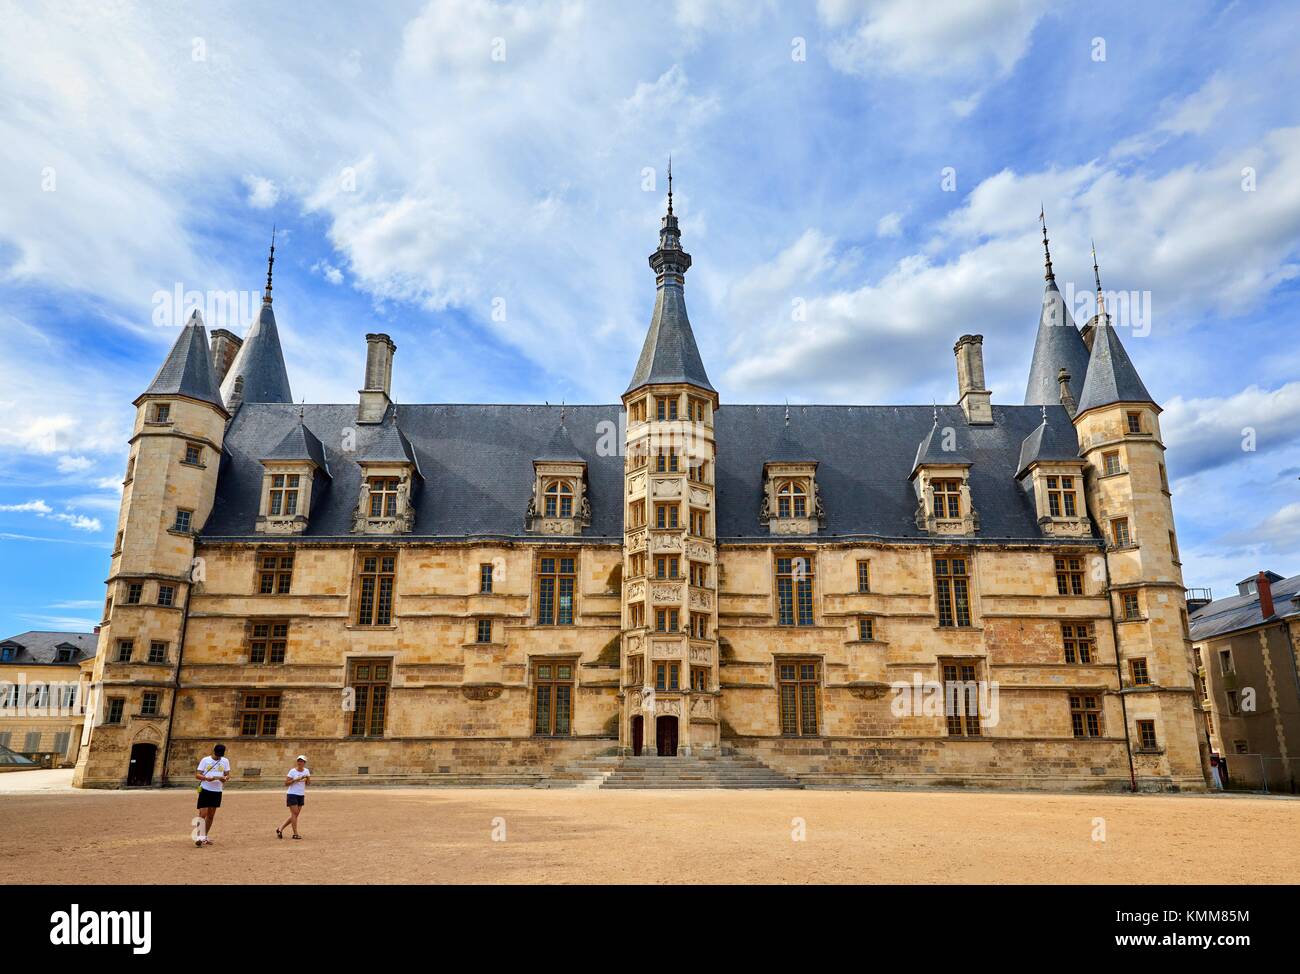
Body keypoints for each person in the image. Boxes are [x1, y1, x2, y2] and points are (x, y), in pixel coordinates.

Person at [194, 743, 230, 847]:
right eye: (217, 754)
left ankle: (204, 837)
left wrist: (225, 778)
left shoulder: (225, 761)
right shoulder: (205, 760)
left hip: (217, 791)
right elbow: (197, 774)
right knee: (202, 814)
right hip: (205, 789)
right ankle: (199, 837)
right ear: (213, 751)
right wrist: (206, 778)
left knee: (210, 816)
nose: (218, 756)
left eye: (220, 754)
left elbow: (228, 775)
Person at [278, 754, 311, 840]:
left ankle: (280, 828)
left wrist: (307, 778)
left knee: (295, 815)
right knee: (295, 814)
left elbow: (308, 783)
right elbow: (286, 783)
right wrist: (295, 780)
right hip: (292, 794)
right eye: (299, 761)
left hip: (301, 795)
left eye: (302, 761)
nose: (300, 762)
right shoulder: (292, 771)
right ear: (297, 762)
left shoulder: (306, 771)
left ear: (304, 763)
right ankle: (295, 834)